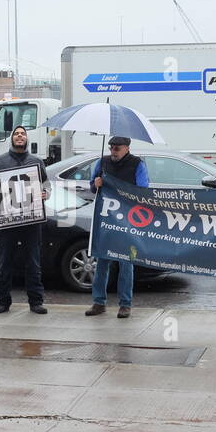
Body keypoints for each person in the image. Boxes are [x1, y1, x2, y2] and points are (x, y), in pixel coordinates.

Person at [0, 125, 50, 315]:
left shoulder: (37, 162)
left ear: (27, 139)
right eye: (16, 134)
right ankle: (2, 302)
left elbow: (47, 186)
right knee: (4, 262)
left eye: (23, 134)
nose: (20, 136)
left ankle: (36, 302)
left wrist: (47, 193)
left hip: (32, 221)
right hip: (7, 222)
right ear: (12, 139)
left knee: (34, 262)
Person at [86, 136, 150, 318]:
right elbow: (92, 186)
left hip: (127, 222)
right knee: (102, 262)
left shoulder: (137, 164)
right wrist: (95, 184)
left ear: (127, 148)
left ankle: (125, 304)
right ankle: (99, 302)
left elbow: (143, 190)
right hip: (106, 220)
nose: (113, 151)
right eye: (111, 147)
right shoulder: (103, 162)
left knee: (126, 264)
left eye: (117, 148)